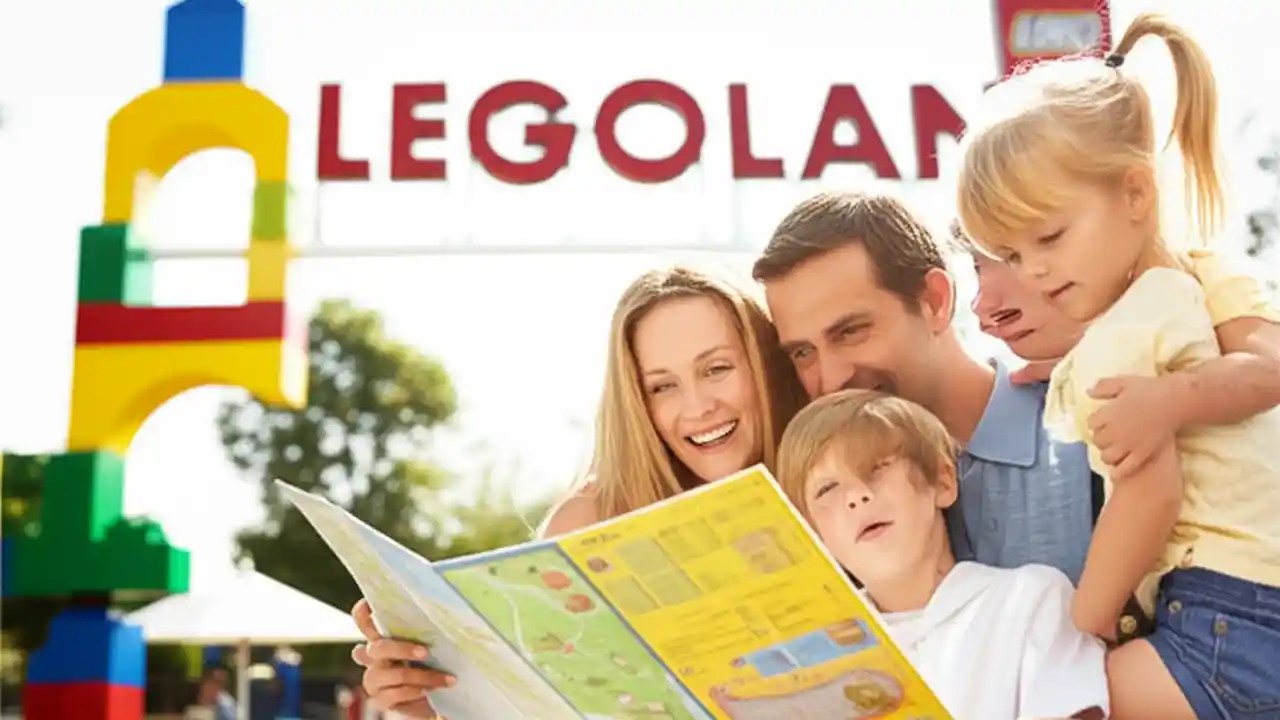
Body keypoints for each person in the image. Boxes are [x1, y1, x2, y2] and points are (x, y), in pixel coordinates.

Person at [954, 11, 1280, 719]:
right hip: (1259, 602)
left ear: (1136, 192)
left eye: (1049, 237)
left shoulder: (1121, 340)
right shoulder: (1193, 280)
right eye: (1011, 256)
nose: (1035, 272)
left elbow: (1150, 496)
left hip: (1221, 619)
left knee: (1055, 695)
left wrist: (1085, 618)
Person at [348, 262, 806, 718]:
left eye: (717, 368)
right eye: (662, 386)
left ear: (767, 363)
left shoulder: (844, 489)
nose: (698, 406)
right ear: (637, 403)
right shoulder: (590, 522)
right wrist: (434, 706)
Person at [774, 389, 1108, 720]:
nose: (857, 497)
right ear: (811, 532)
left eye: (876, 469)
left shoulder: (1028, 600)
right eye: (828, 489)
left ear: (943, 481)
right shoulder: (812, 658)